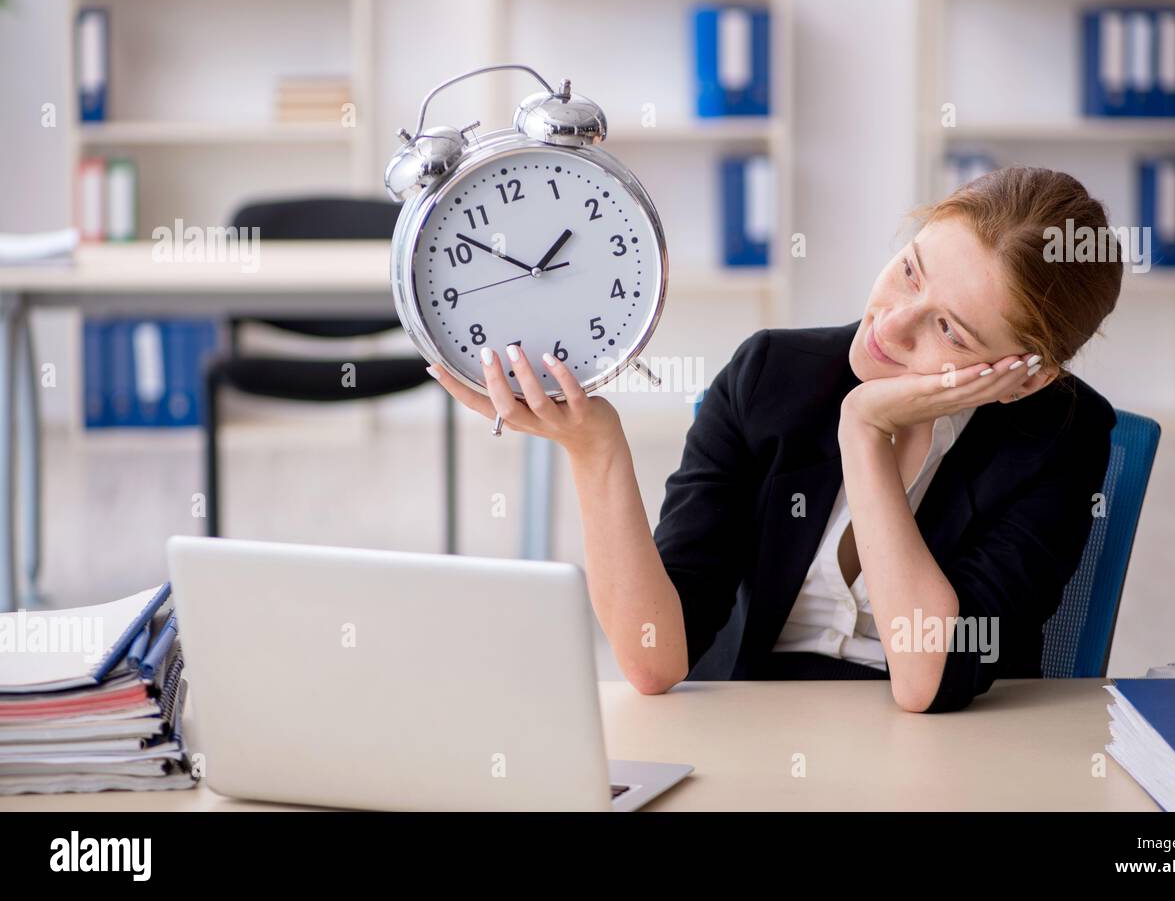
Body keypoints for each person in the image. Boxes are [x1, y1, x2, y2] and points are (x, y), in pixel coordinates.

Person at [427, 166, 1123, 714]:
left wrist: (864, 430)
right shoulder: (768, 376)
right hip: (753, 728)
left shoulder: (1060, 437)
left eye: (950, 330)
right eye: (910, 270)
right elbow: (654, 657)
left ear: (1027, 378)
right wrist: (595, 449)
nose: (891, 323)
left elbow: (926, 678)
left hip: (948, 759)